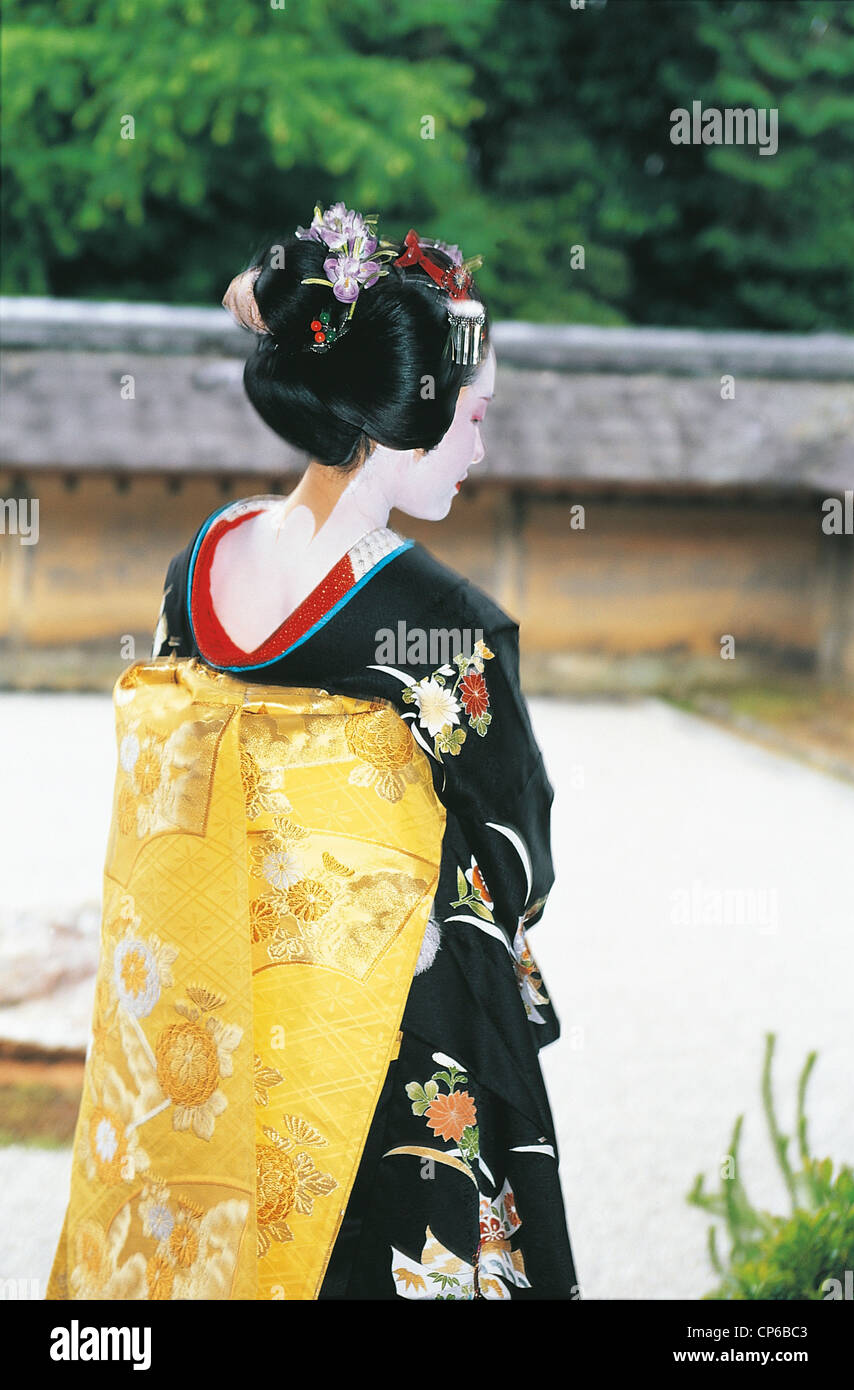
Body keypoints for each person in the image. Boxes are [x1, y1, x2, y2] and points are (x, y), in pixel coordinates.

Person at [49, 204, 578, 1301]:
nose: (484, 444)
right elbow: (515, 848)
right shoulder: (442, 620)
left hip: (220, 1013)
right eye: (475, 417)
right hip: (377, 1028)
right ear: (404, 418)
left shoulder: (204, 559)